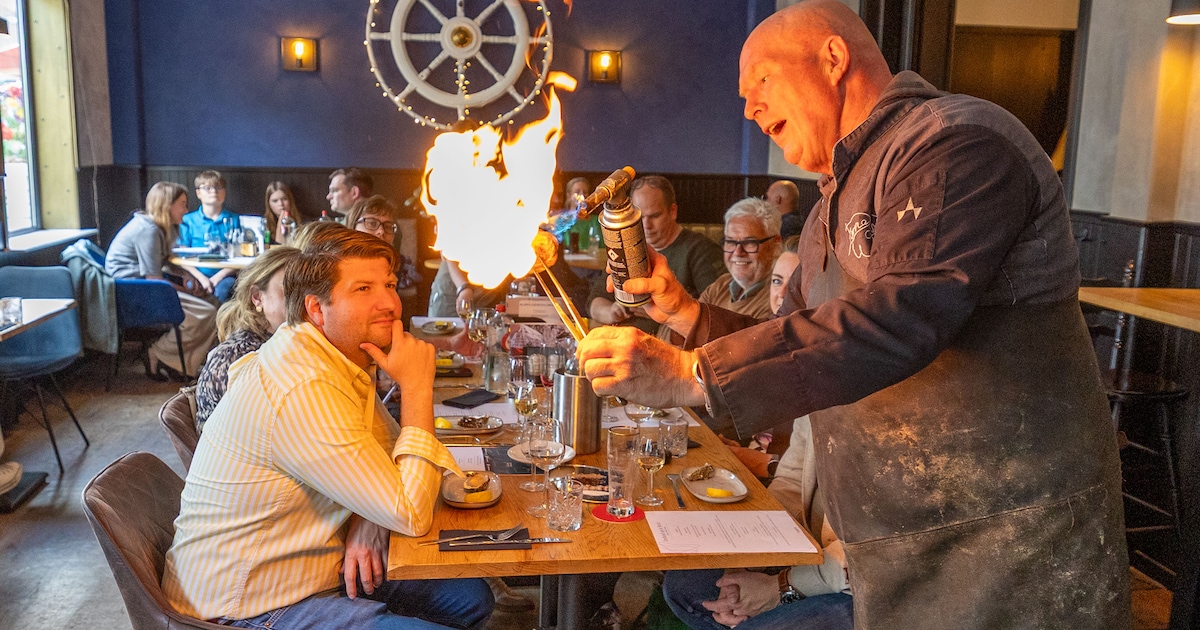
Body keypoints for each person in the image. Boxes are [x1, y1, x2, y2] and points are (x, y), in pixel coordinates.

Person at [577, 1, 1129, 628]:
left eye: (759, 81)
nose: (749, 109)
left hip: (1001, 535)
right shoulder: (828, 206)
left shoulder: (953, 140)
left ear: (833, 58)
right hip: (890, 538)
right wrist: (683, 313)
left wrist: (690, 372)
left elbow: (900, 316)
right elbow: (789, 341)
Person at [162, 229, 494, 628]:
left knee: (471, 598)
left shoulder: (332, 355)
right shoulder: (303, 385)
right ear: (317, 309)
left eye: (388, 284)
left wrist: (366, 519)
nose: (389, 302)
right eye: (363, 289)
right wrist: (418, 387)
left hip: (313, 561)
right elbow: (411, 512)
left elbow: (387, 458)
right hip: (250, 604)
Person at [106, 182, 218, 380]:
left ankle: (179, 364)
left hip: (146, 288)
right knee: (207, 313)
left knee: (212, 306)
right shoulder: (147, 230)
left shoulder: (156, 227)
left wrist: (187, 280)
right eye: (182, 204)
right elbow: (154, 279)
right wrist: (186, 290)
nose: (186, 210)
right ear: (167, 205)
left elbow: (164, 264)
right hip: (133, 294)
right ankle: (157, 352)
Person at [587, 175, 724, 333]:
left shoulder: (700, 251)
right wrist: (612, 311)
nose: (646, 225)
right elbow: (593, 301)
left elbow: (718, 312)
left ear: (672, 211)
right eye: (640, 216)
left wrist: (665, 312)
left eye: (654, 216)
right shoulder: (627, 248)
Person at [194, 246, 301, 432]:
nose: (303, 302)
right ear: (257, 297)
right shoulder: (236, 357)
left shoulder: (297, 342)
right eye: (289, 291)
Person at [695, 197, 780, 320]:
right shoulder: (721, 285)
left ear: (775, 244)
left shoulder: (777, 299)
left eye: (750, 242)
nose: (738, 252)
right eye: (730, 241)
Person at [177, 170, 240, 303]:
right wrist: (200, 277)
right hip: (195, 273)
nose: (214, 191)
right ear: (198, 193)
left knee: (222, 291)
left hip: (225, 275)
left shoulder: (234, 220)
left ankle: (218, 324)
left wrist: (217, 277)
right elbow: (181, 255)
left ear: (224, 192)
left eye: (218, 187)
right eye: (207, 188)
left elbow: (240, 256)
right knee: (188, 290)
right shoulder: (187, 220)